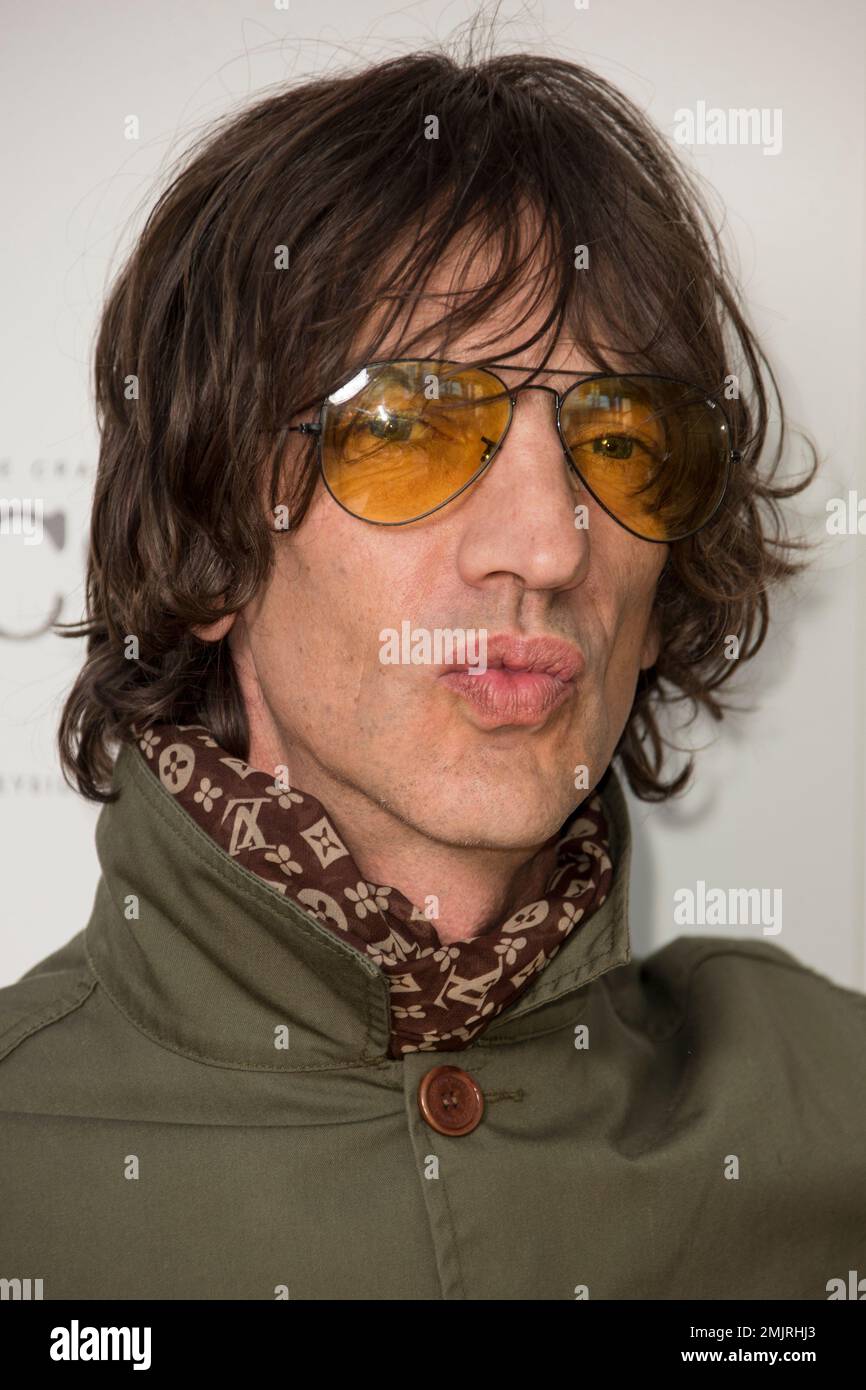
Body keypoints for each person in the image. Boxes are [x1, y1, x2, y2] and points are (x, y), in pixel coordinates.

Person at [1, 41, 863, 1302]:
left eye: (617, 436)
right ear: (214, 536)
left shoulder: (832, 1109)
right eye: (408, 427)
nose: (549, 542)